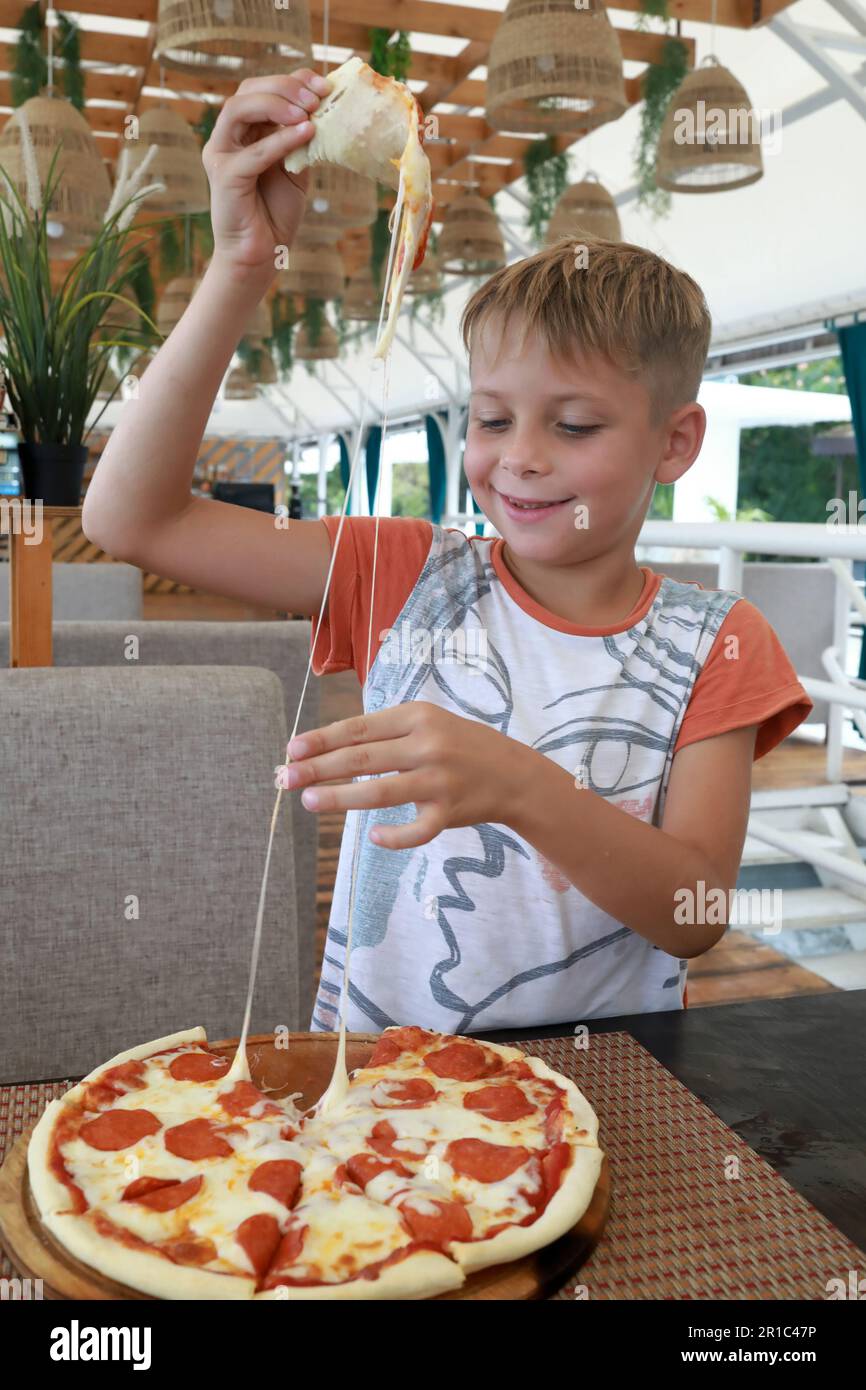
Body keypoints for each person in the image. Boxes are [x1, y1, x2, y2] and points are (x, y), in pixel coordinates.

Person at [82, 68, 813, 1035]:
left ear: (674, 443)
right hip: (381, 1074)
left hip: (606, 1091)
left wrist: (516, 783)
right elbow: (132, 520)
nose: (520, 459)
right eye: (492, 418)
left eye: (577, 426)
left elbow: (698, 915)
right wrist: (241, 267)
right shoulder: (407, 572)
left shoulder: (719, 642)